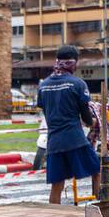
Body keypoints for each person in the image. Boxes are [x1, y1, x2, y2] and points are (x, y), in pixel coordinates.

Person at [36, 45, 100, 204]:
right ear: (74, 63)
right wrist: (96, 122)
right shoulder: (77, 84)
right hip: (75, 140)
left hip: (54, 143)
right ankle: (101, 205)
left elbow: (48, 113)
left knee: (57, 185)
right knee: (97, 169)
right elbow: (86, 119)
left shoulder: (43, 86)